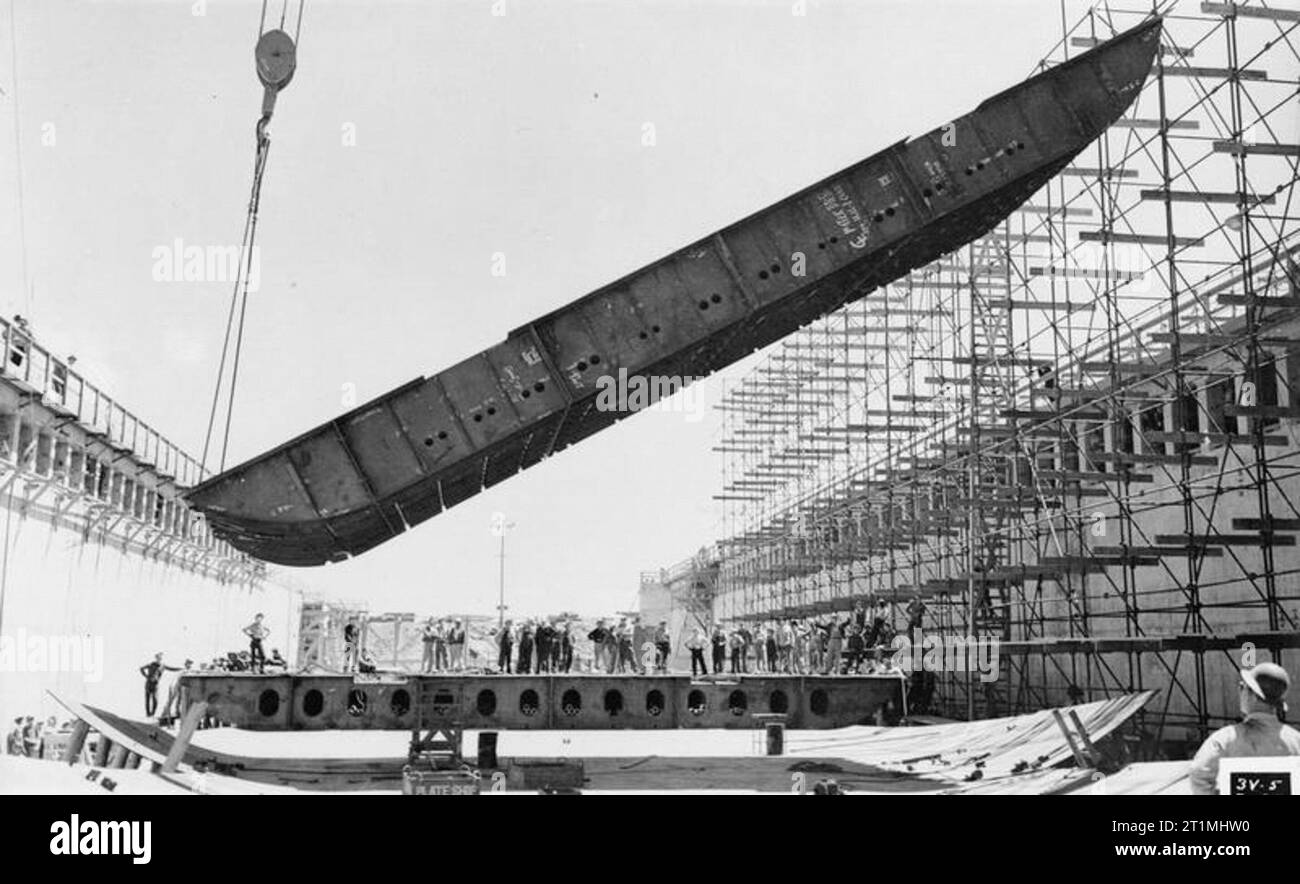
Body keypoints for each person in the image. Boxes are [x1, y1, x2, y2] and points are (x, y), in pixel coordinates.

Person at [1189, 662, 1300, 795]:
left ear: (1252, 695)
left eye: (1243, 687)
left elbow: (1199, 776)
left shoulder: (1224, 740)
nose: (1241, 690)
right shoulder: (1296, 741)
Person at [139, 652, 179, 718]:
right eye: (158, 658)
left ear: (161, 659)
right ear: (156, 658)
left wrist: (180, 669)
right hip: (148, 683)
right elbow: (141, 669)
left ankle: (152, 714)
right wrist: (146, 676)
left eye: (160, 658)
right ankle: (148, 714)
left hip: (155, 684)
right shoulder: (151, 664)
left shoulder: (163, 666)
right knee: (147, 699)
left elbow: (172, 669)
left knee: (155, 700)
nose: (159, 659)